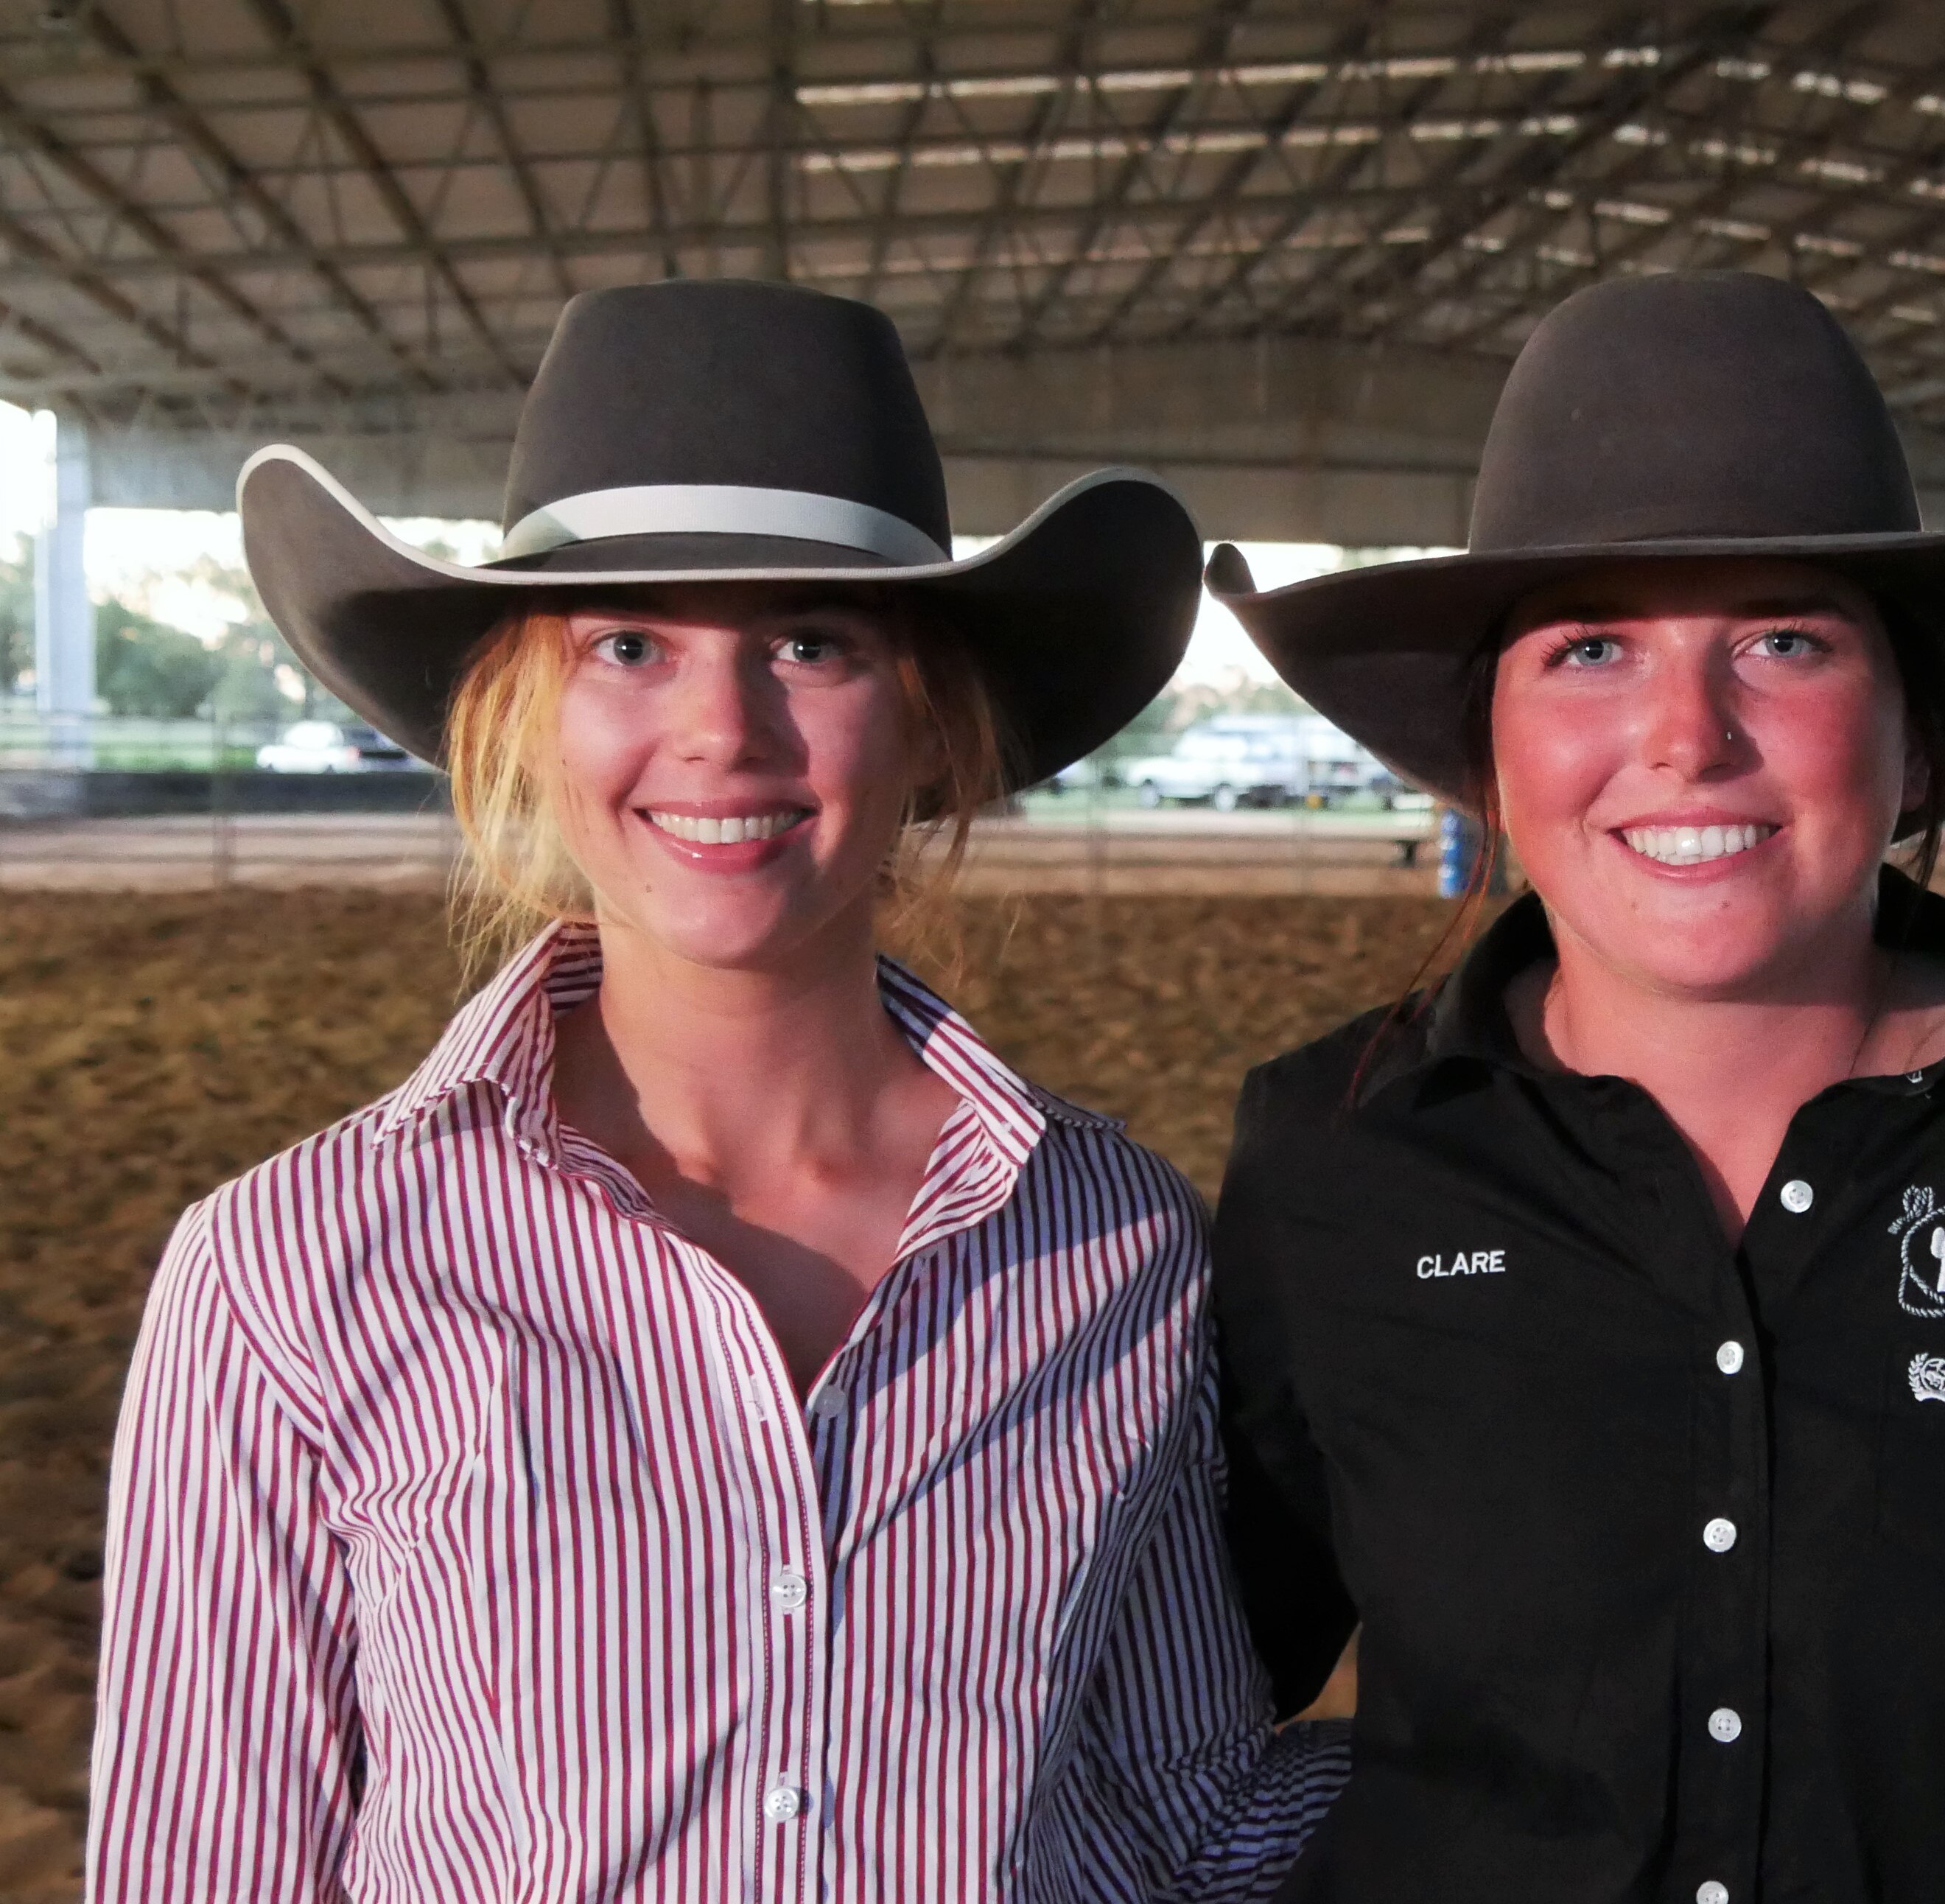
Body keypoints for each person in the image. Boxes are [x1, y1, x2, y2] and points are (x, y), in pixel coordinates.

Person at [88, 279, 1339, 1900]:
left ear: (930, 723)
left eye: (809, 642)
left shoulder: (1114, 1239)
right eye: (627, 643)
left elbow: (1192, 1809)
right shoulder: (289, 1270)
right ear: (525, 718)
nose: (719, 731)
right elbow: (207, 1863)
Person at [1199, 271, 1945, 1901]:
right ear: (1490, 760)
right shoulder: (1330, 1154)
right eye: (1590, 650)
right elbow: (1198, 1678)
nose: (1686, 735)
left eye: (1781, 641)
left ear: (1915, 741)